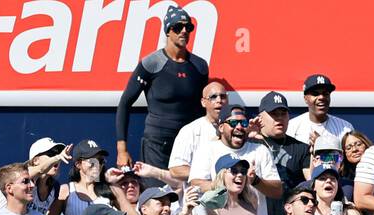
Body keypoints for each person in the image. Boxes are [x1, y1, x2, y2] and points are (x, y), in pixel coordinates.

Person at [116, 4, 209, 172]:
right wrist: (122, 150)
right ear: (167, 31)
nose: (183, 31)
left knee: (191, 196)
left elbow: (205, 108)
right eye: (177, 27)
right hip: (157, 145)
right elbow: (125, 103)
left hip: (190, 144)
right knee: (158, 196)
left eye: (188, 27)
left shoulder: (200, 66)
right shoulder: (151, 63)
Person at [188, 103, 283, 201]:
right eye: (233, 123)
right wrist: (224, 183)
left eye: (243, 123)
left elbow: (277, 191)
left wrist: (255, 180)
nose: (239, 127)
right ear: (221, 127)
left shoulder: (260, 150)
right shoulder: (206, 150)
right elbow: (196, 184)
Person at [253, 91, 312, 215]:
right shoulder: (250, 145)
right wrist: (246, 137)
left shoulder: (301, 148)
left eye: (283, 113)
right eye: (274, 114)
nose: (279, 118)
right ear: (260, 117)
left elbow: (311, 182)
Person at [166, 81, 228, 184]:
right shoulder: (190, 131)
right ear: (203, 102)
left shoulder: (238, 129)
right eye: (213, 97)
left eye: (223, 96)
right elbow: (175, 170)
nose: (219, 100)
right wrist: (213, 175)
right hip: (200, 198)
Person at [288, 74, 355, 142]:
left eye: (325, 93)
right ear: (305, 99)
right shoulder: (291, 126)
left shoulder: (345, 127)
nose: (321, 97)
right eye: (315, 94)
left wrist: (321, 143)